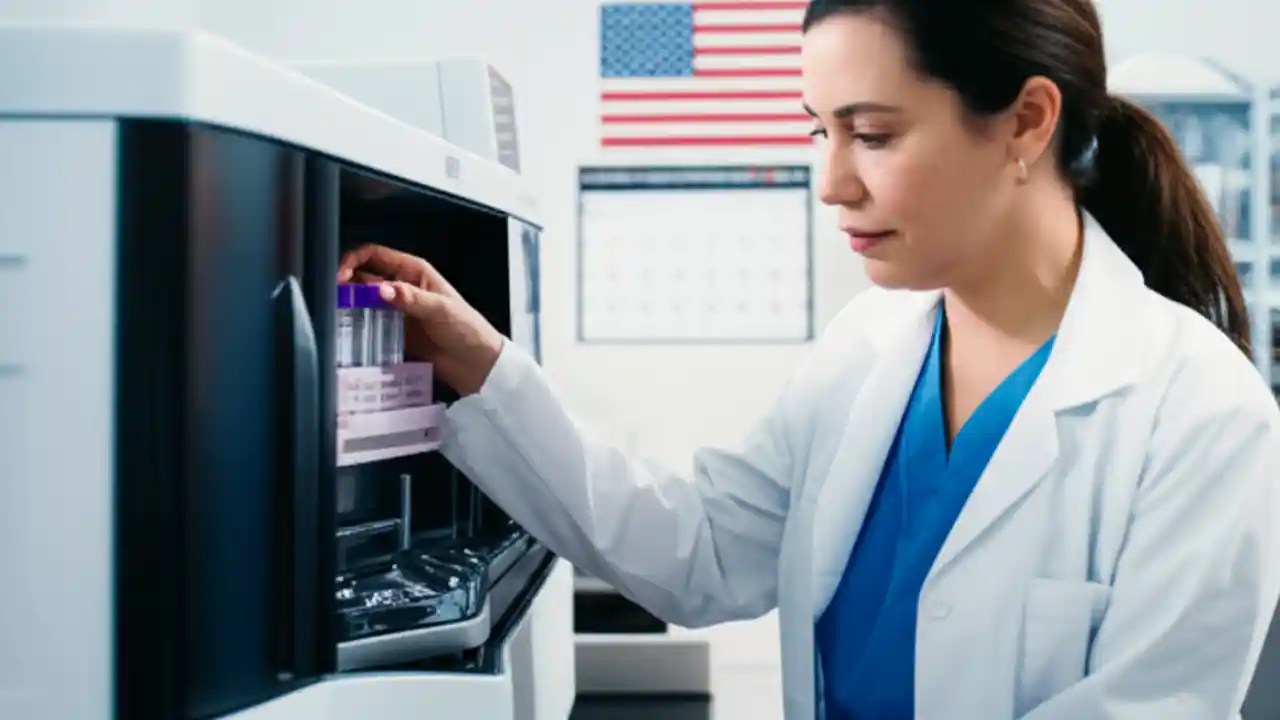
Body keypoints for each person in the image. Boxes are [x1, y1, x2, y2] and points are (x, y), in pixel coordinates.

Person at [338, 0, 1280, 717]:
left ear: (1029, 121)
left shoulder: (1199, 414)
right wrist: (480, 364)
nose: (831, 182)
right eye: (819, 131)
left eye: (873, 135)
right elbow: (698, 553)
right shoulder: (864, 353)